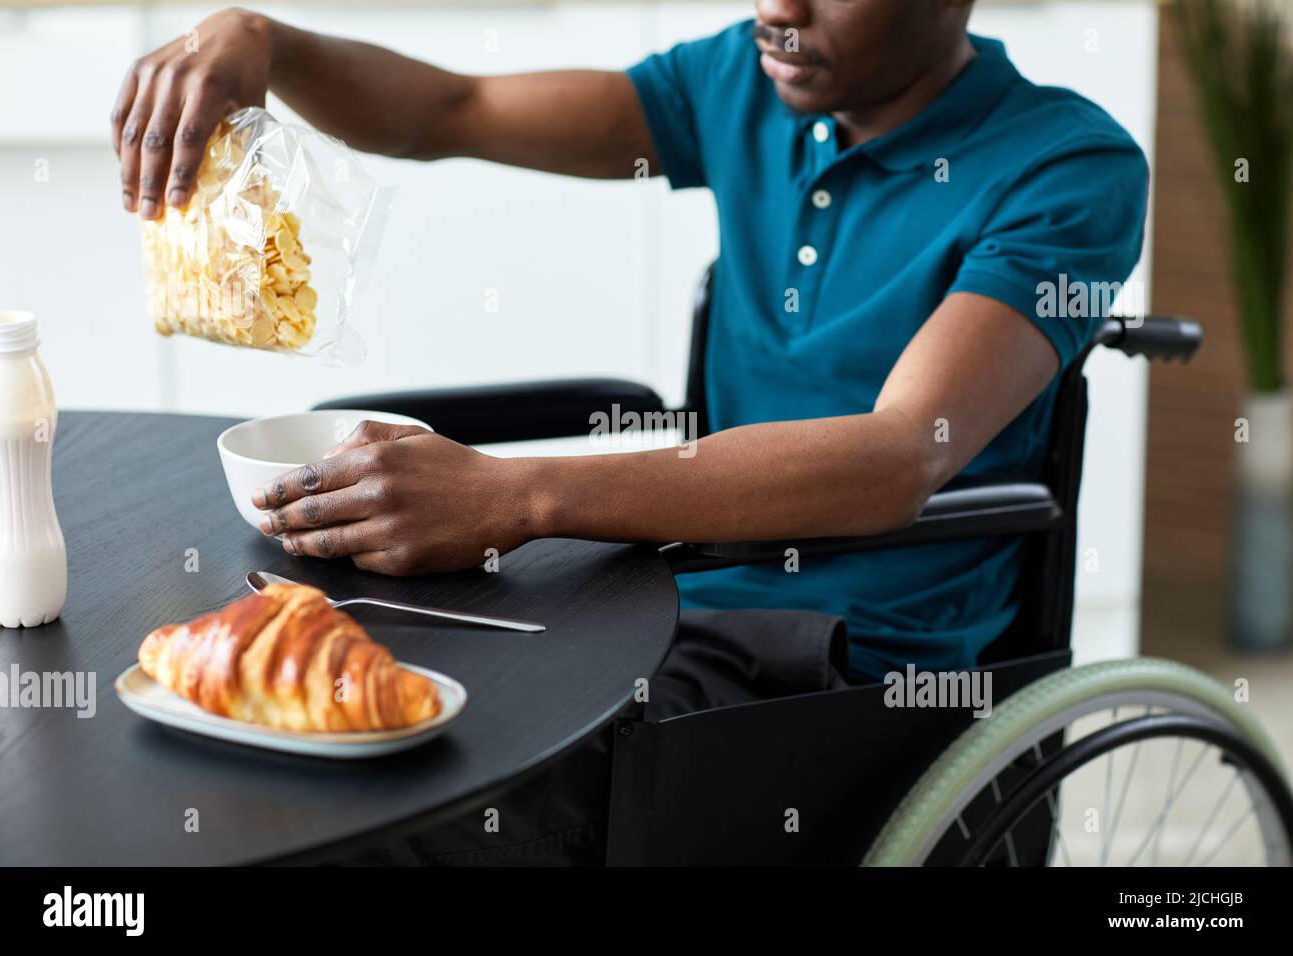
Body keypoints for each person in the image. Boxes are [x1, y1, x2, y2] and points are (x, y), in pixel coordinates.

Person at [113, 1, 1149, 864]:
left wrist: (518, 496)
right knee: (282, 718)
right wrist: (270, 41)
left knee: (384, 812)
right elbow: (451, 109)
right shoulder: (742, 81)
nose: (777, 11)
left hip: (844, 659)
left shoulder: (1067, 167)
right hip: (663, 588)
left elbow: (895, 453)